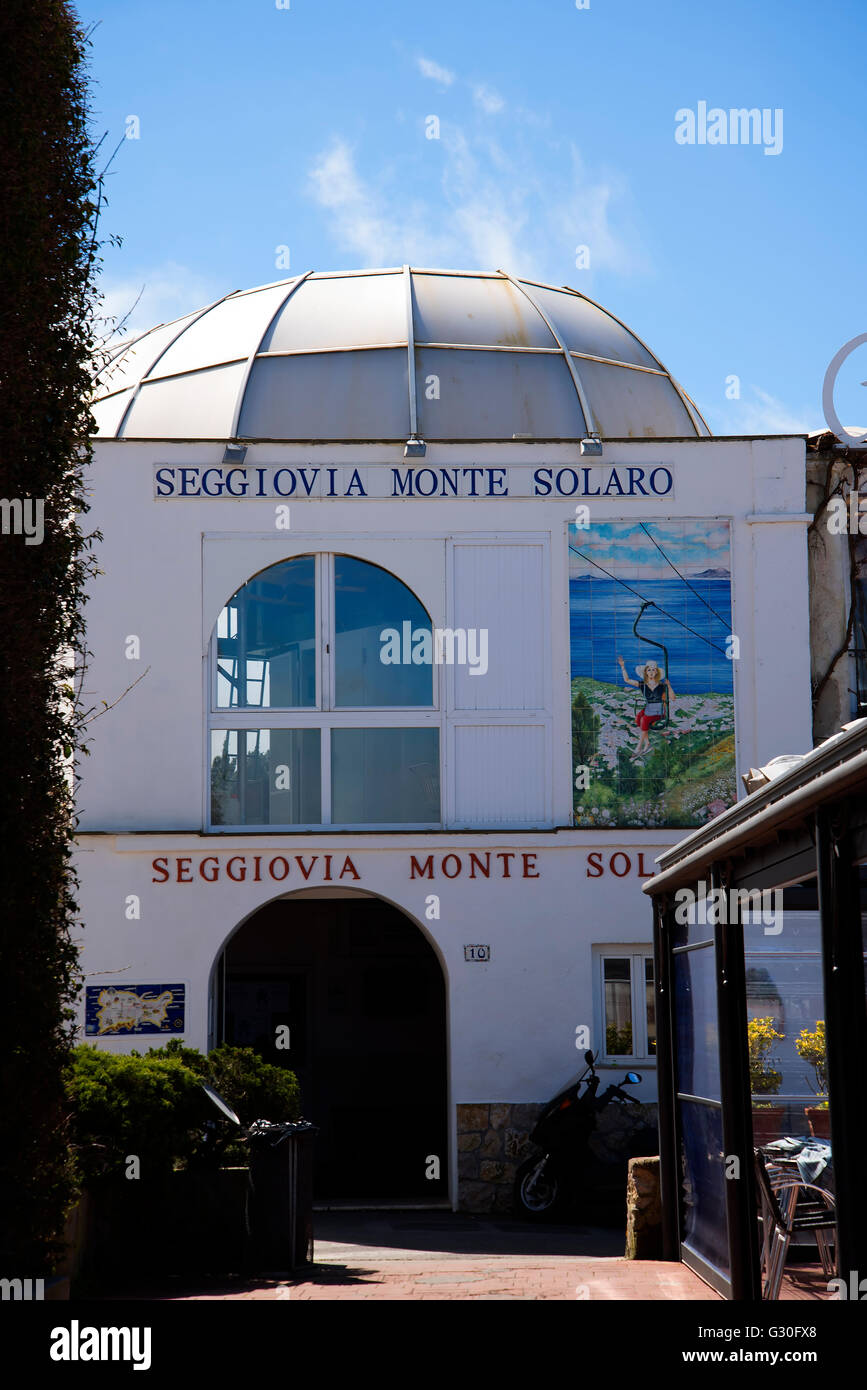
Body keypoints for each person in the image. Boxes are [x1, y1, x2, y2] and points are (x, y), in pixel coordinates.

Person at [616, 655, 676, 760]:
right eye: (649, 670)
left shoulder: (662, 686)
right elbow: (627, 680)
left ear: (656, 672)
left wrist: (669, 686)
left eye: (653, 670)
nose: (651, 672)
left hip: (658, 710)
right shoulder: (642, 684)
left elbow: (673, 698)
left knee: (644, 719)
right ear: (646, 672)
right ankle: (647, 743)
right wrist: (622, 667)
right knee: (639, 718)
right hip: (649, 709)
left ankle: (638, 747)